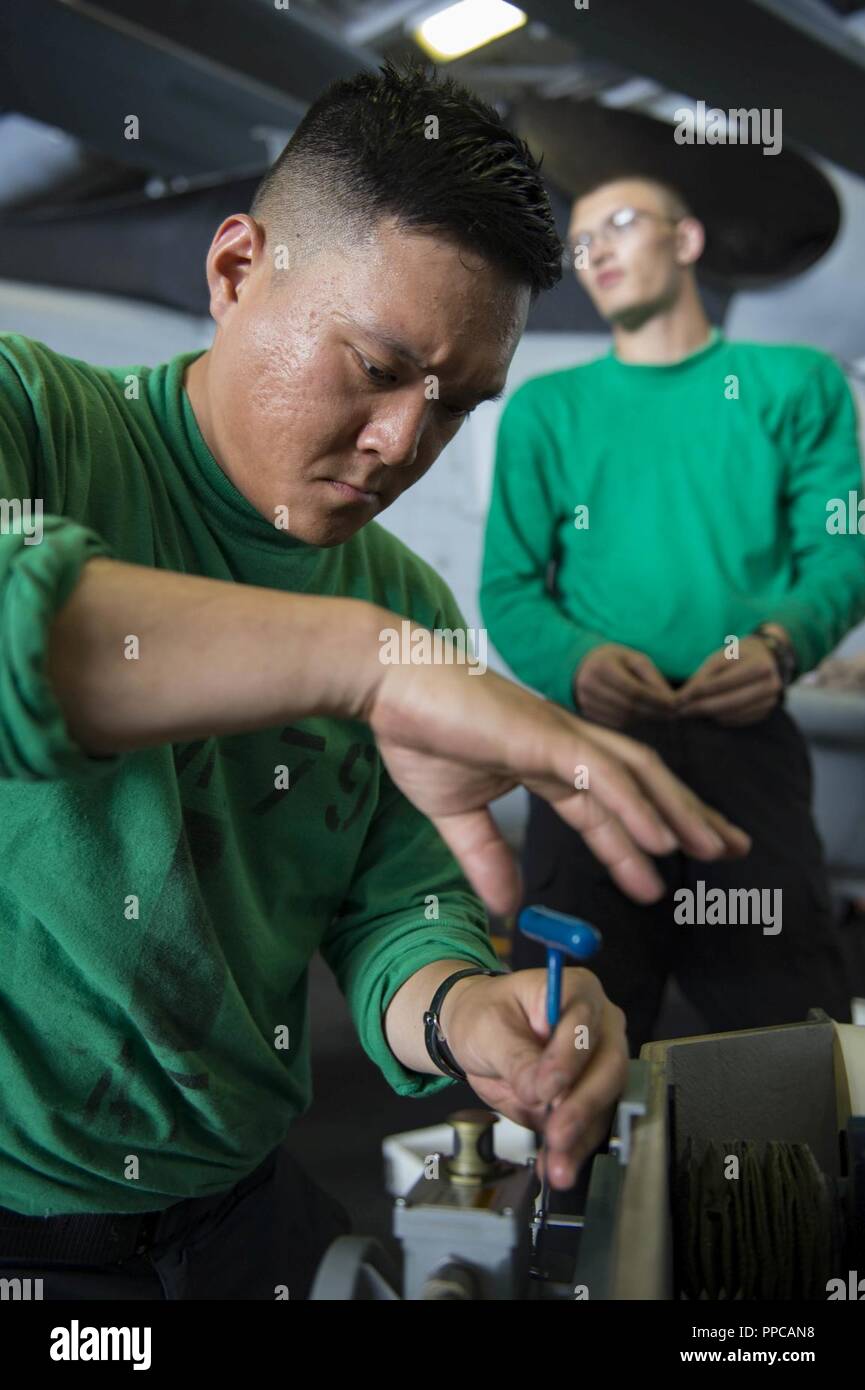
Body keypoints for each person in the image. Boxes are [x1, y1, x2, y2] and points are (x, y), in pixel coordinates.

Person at [0, 71, 748, 1300]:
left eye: (453, 405)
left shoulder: (404, 600)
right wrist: (357, 664)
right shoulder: (34, 423)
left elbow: (391, 904)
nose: (405, 442)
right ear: (237, 270)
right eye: (376, 364)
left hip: (235, 1201)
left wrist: (466, 1007)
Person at [481, 173, 865, 1057]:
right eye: (580, 243)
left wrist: (780, 642)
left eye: (619, 224)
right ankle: (569, 1197)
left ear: (687, 240)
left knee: (791, 1045)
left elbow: (840, 551)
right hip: (588, 757)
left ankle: (800, 1199)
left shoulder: (794, 384)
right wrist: (574, 660)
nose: (597, 251)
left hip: (747, 748)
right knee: (566, 1042)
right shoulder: (545, 410)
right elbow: (507, 589)